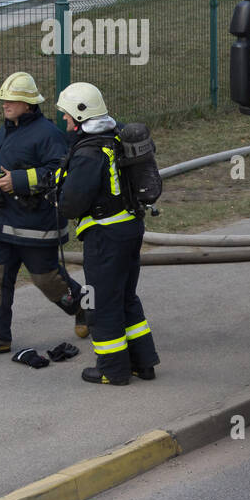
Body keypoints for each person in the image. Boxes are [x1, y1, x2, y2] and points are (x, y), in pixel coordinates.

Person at [0, 72, 87, 358]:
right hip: (1, 222)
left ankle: (83, 305)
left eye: (12, 100)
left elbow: (60, 173)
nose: (6, 104)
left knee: (49, 281)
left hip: (35, 225)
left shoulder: (49, 135)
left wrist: (19, 181)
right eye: (4, 100)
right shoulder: (5, 130)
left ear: (29, 104)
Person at [53, 82, 159, 386]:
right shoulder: (115, 136)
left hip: (105, 237)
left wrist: (57, 196)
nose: (64, 120)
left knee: (101, 302)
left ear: (80, 114)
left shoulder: (88, 152)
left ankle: (112, 370)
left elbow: (73, 203)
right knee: (126, 297)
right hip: (130, 229)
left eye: (67, 115)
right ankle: (143, 363)